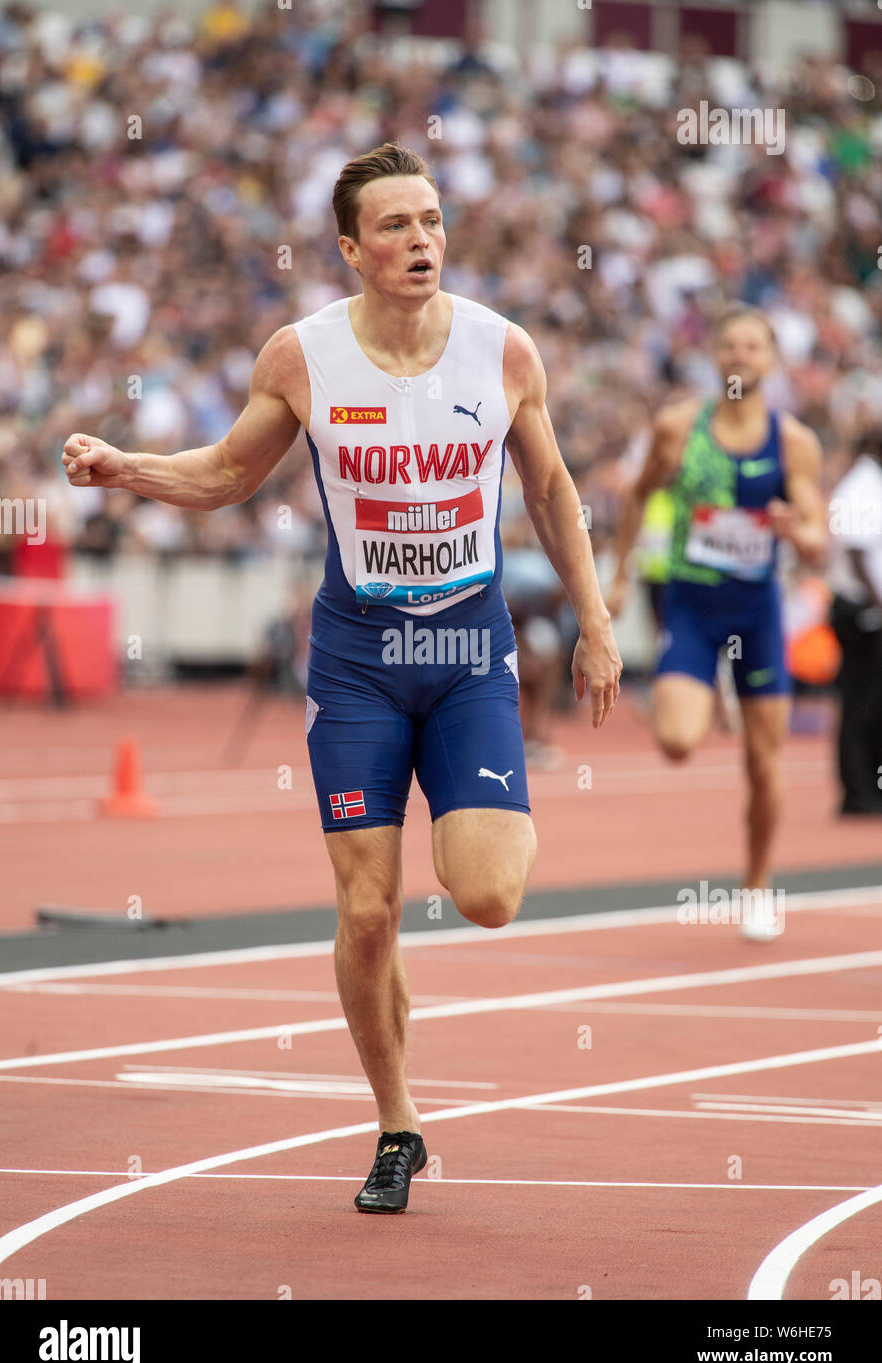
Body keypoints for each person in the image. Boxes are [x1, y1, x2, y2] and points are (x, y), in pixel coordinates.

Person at [62, 142, 622, 1213]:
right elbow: (229, 472)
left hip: (464, 648)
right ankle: (396, 1123)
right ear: (352, 250)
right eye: (398, 226)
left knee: (489, 894)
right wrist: (124, 466)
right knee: (367, 909)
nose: (422, 240)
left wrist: (594, 622)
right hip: (359, 656)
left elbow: (550, 493)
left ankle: (479, 808)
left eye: (432, 220)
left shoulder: (502, 354)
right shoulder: (303, 355)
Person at [606, 305, 826, 941]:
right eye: (728, 346)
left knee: (764, 761)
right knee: (677, 742)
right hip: (693, 607)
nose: (738, 357)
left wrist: (798, 530)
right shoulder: (679, 426)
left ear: (772, 360)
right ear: (715, 357)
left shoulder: (793, 443)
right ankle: (710, 691)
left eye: (752, 347)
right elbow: (639, 491)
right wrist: (619, 575)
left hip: (756, 613)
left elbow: (816, 537)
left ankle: (757, 887)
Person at [827, 434, 882, 816]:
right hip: (861, 609)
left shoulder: (866, 482)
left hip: (864, 606)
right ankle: (859, 791)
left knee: (866, 699)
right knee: (864, 700)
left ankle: (864, 788)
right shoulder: (862, 486)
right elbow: (858, 550)